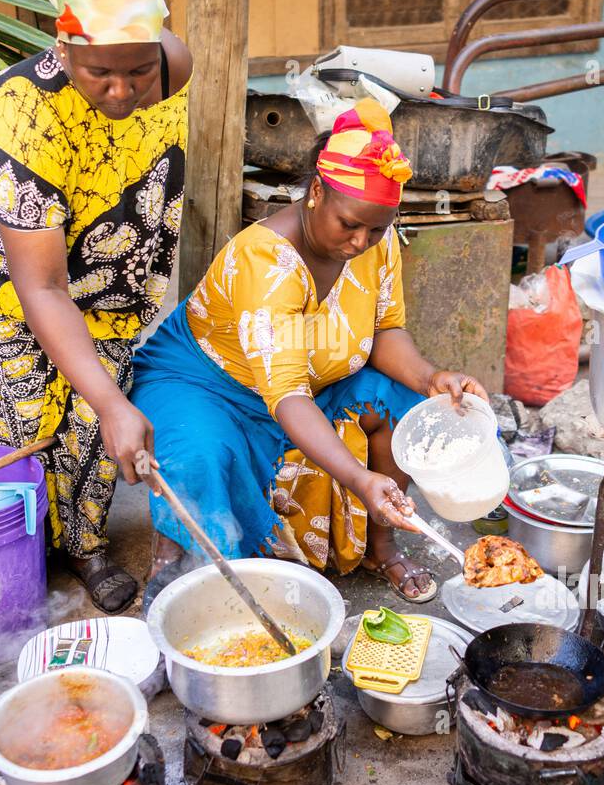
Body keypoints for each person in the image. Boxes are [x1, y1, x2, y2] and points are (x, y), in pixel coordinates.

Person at [132, 99, 488, 604]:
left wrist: (432, 379)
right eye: (350, 225)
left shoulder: (374, 240)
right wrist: (359, 477)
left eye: (377, 229)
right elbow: (287, 395)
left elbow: (385, 331)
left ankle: (378, 545)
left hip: (302, 380)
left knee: (404, 403)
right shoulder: (268, 261)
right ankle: (180, 561)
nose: (361, 241)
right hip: (207, 383)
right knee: (201, 460)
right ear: (317, 192)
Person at [0, 0, 191, 613]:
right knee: (19, 404)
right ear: (64, 46)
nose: (123, 91)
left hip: (106, 253)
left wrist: (108, 404)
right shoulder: (28, 116)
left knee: (101, 404)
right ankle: (16, 549)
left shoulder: (174, 63)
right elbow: (39, 288)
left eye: (138, 70)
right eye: (101, 71)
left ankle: (83, 539)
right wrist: (109, 403)